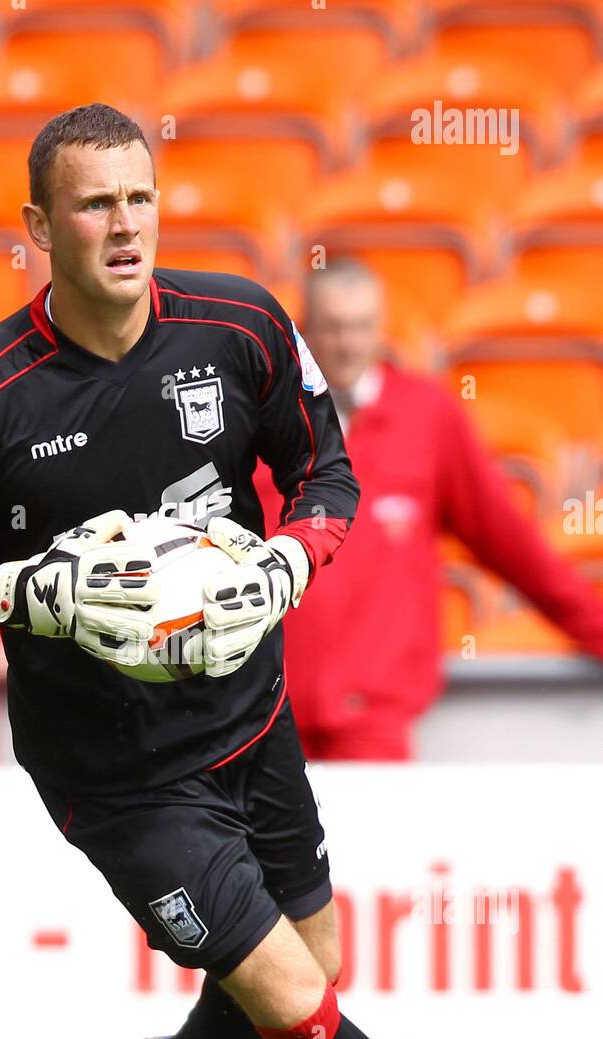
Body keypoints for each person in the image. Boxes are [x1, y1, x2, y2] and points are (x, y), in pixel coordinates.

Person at [0, 104, 475, 1039]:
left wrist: (293, 557)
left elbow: (323, 470)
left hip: (248, 709)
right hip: (113, 769)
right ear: (37, 226)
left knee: (318, 957)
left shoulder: (240, 325)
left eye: (138, 198)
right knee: (290, 991)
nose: (123, 225)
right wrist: (17, 591)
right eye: (93, 204)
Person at [256, 258, 603, 760]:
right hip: (268, 720)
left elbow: (511, 546)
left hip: (373, 725)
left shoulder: (427, 417)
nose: (348, 343)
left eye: (362, 327)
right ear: (305, 332)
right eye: (333, 328)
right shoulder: (265, 419)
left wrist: (595, 628)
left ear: (382, 328)